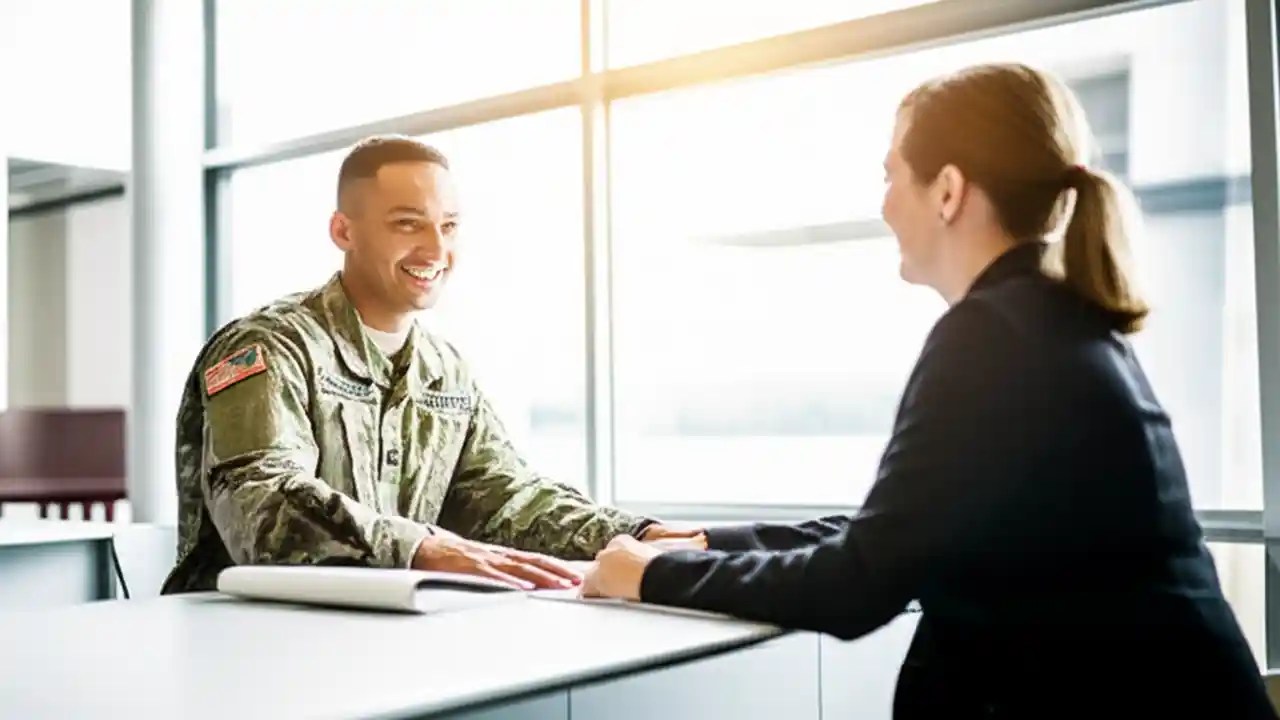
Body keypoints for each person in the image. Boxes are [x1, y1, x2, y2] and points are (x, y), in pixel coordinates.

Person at [581, 63, 1276, 718]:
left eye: (890, 174)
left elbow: (858, 582)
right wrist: (709, 542)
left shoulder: (995, 337)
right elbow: (908, 528)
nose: (883, 204)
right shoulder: (1047, 321)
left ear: (947, 190)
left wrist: (653, 576)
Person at [161, 135, 696, 595]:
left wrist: (635, 536)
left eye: (449, 226)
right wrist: (420, 548)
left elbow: (504, 497)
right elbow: (262, 502)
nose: (436, 248)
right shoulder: (268, 347)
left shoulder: (445, 369)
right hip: (242, 639)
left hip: (386, 633)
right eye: (408, 224)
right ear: (344, 231)